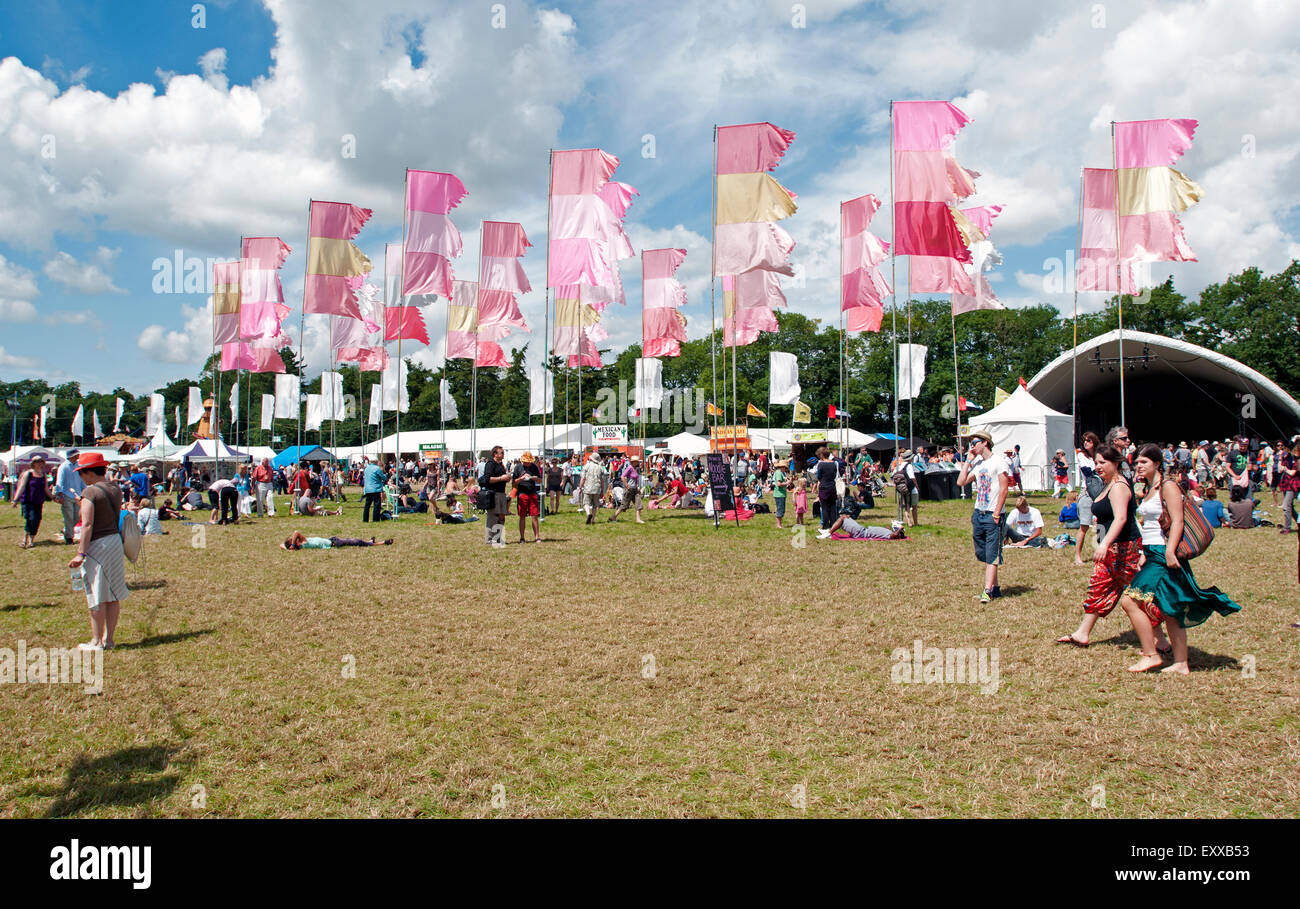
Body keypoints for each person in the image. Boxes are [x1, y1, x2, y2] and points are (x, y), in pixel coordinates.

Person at [1119, 444, 1242, 674]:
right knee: (1170, 608)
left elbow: (1178, 521)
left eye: (1144, 462)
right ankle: (1181, 663)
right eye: (1136, 463)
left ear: (1157, 463)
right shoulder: (1149, 488)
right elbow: (1152, 524)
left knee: (1130, 601)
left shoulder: (1168, 486)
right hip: (1152, 552)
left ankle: (1150, 655)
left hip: (1164, 554)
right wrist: (1144, 552)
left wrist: (1169, 551)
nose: (1138, 466)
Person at [1055, 445, 1170, 650]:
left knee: (1140, 594)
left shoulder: (1118, 486)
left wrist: (1105, 543)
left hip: (1126, 550)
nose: (1098, 466)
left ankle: (1160, 640)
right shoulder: (1107, 484)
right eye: (1096, 462)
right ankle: (1082, 633)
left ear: (1115, 463)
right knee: (1098, 587)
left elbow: (1121, 518)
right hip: (1110, 550)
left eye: (1103, 462)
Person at [67, 453, 129, 651]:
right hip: (115, 541)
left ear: (89, 472)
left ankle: (96, 641)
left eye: (81, 473)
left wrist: (80, 553)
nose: (80, 477)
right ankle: (108, 639)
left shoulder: (90, 492)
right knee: (113, 593)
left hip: (97, 546)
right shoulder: (115, 489)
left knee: (95, 594)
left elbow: (87, 524)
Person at [957, 430, 1012, 603]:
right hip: (978, 513)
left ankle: (987, 590)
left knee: (992, 553)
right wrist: (968, 461)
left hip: (992, 514)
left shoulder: (999, 462)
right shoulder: (978, 464)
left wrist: (997, 512)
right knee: (982, 552)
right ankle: (995, 588)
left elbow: (1004, 489)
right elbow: (961, 482)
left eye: (974, 443)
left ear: (985, 443)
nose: (972, 446)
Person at [14, 454, 55, 549]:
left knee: (37, 520)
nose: (40, 464)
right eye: (37, 462)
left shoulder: (43, 475)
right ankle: (25, 540)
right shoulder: (28, 474)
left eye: (41, 462)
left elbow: (46, 488)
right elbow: (21, 487)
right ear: (33, 464)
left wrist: (53, 497)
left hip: (38, 501)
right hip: (28, 501)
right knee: (30, 519)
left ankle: (31, 539)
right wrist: (15, 499)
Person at [1074, 432, 1102, 566]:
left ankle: (1103, 552)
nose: (1086, 443)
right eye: (1084, 440)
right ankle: (1077, 556)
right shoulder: (1081, 456)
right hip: (1087, 492)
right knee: (1084, 525)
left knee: (1102, 523)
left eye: (1089, 440)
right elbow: (1088, 472)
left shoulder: (1100, 454)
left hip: (1101, 491)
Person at [53, 449, 85, 544]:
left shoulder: (79, 466)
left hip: (77, 495)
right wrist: (59, 494)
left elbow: (82, 480)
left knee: (77, 517)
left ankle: (66, 530)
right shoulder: (63, 467)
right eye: (77, 454)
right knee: (69, 517)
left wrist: (84, 490)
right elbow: (60, 481)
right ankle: (69, 538)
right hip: (67, 495)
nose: (78, 456)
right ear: (72, 456)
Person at [481, 445, 510, 545]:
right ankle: (490, 538)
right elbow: (487, 479)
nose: (503, 454)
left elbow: (502, 477)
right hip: (493, 493)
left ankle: (497, 537)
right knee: (493, 516)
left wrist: (506, 478)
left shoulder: (501, 464)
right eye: (501, 453)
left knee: (501, 516)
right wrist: (501, 478)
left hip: (502, 493)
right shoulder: (490, 464)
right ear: (495, 454)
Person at [512, 451, 543, 542]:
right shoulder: (518, 467)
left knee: (534, 516)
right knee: (522, 516)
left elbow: (540, 480)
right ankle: (522, 538)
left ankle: (537, 537)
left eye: (529, 462)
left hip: (532, 493)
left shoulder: (534, 467)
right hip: (522, 493)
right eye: (526, 462)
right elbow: (514, 482)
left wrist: (534, 478)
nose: (528, 464)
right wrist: (521, 478)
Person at [609, 456, 646, 524]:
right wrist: (626, 485)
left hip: (635, 489)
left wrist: (637, 487)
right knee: (624, 505)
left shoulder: (636, 468)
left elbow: (636, 479)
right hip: (629, 490)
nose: (637, 463)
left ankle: (638, 519)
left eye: (637, 461)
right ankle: (613, 517)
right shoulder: (630, 467)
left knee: (639, 503)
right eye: (636, 461)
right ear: (633, 462)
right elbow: (622, 476)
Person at [818, 515, 907, 540]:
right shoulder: (889, 533)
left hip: (861, 532)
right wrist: (888, 528)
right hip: (862, 530)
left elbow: (894, 535)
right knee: (845, 517)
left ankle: (828, 533)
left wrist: (900, 529)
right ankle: (828, 531)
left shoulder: (892, 535)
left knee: (842, 518)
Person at [813, 446, 838, 531]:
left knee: (825, 508)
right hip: (832, 487)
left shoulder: (821, 464)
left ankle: (826, 526)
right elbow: (835, 475)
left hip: (824, 487)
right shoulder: (834, 463)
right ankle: (833, 525)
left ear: (822, 455)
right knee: (832, 507)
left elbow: (819, 476)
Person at [282, 531, 392, 550]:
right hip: (334, 543)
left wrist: (290, 547)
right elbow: (296, 532)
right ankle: (381, 543)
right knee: (356, 542)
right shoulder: (303, 544)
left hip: (332, 540)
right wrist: (293, 545)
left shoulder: (301, 543)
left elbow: (281, 545)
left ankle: (369, 542)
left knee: (355, 541)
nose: (296, 539)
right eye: (294, 541)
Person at [579, 453, 607, 525]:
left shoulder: (586, 466)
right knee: (595, 505)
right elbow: (602, 481)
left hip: (587, 488)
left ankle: (588, 514)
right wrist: (602, 491)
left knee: (586, 503)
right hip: (597, 488)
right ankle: (593, 519)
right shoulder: (600, 468)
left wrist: (580, 487)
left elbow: (583, 478)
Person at [1278, 441, 1299, 534]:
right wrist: (1280, 458)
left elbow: (1292, 473)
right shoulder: (1286, 457)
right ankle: (1298, 522)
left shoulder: (1296, 459)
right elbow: (1279, 470)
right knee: (1290, 507)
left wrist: (1285, 469)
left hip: (1294, 485)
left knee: (1286, 506)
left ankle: (1287, 527)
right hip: (1285, 484)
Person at [361, 456, 385, 523]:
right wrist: (385, 475)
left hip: (368, 489)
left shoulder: (366, 468)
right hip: (376, 489)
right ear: (376, 461)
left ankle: (365, 519)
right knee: (376, 505)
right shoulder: (377, 468)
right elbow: (383, 477)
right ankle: (375, 519)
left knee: (367, 505)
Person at [770, 459, 790, 529]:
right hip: (779, 494)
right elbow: (779, 484)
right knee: (780, 509)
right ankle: (778, 525)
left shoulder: (780, 473)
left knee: (781, 509)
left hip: (781, 494)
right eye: (785, 468)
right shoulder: (779, 473)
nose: (785, 469)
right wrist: (787, 483)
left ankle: (779, 524)